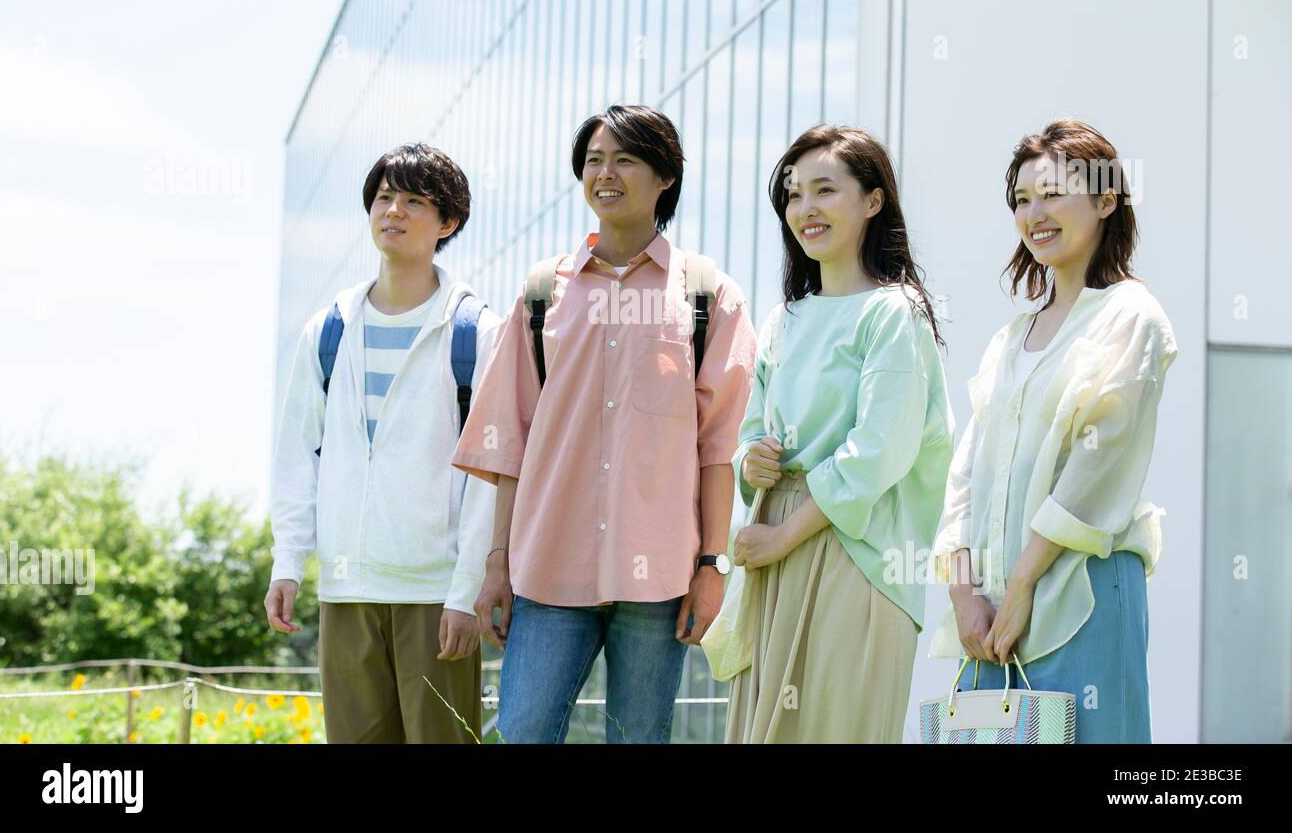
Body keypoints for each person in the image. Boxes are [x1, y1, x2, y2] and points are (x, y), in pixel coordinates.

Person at [450, 104, 756, 743]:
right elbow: (512, 440)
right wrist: (497, 561)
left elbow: (717, 447)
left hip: (661, 574)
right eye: (593, 160)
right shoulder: (543, 293)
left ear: (664, 176)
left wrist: (712, 566)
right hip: (548, 566)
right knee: (524, 731)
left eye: (626, 159)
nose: (606, 173)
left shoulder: (707, 296)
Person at [931, 119, 1179, 743]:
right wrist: (964, 594)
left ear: (1104, 200)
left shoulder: (1133, 317)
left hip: (1080, 591)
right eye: (1020, 200)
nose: (1033, 213)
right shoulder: (1011, 338)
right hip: (989, 614)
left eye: (1051, 193)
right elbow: (965, 473)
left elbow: (1096, 472)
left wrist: (1020, 587)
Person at [722, 125, 954, 743]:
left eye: (826, 190)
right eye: (794, 195)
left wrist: (780, 537)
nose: (806, 209)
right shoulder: (783, 320)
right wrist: (754, 462)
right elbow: (748, 433)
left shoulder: (893, 313)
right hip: (776, 544)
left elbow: (876, 455)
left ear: (873, 201)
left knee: (831, 727)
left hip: (856, 552)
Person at [265, 142, 501, 743]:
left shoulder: (477, 331)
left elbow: (488, 477)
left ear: (447, 222)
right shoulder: (329, 330)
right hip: (346, 587)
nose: (392, 210)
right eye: (383, 197)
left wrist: (465, 591)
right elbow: (297, 454)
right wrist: (289, 561)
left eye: (414, 200)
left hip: (435, 595)